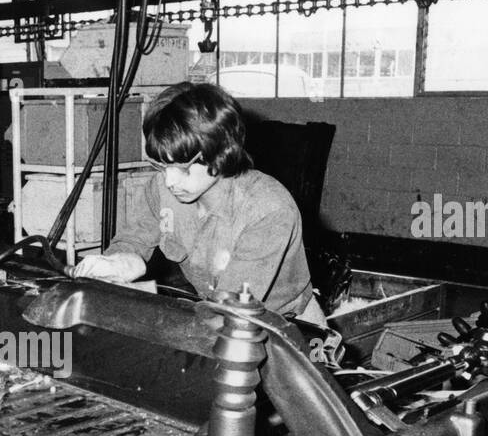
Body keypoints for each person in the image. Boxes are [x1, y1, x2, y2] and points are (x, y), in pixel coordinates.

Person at [72, 82, 326, 326]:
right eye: (161, 165)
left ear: (220, 153)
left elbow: (230, 311)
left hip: (286, 328)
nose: (169, 181)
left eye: (182, 168)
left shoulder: (268, 209)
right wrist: (120, 262)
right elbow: (133, 240)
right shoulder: (162, 188)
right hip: (214, 315)